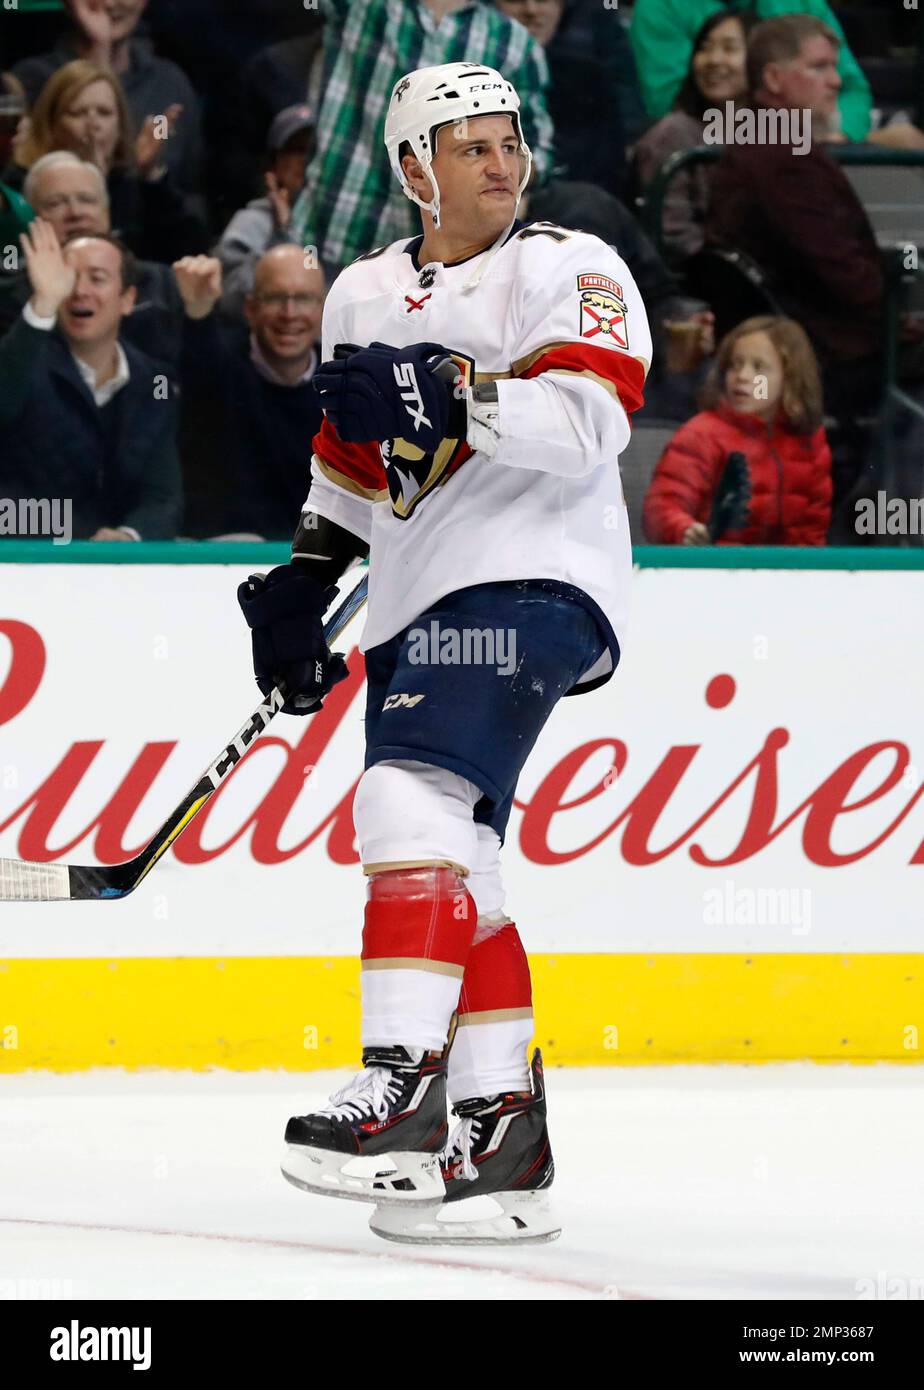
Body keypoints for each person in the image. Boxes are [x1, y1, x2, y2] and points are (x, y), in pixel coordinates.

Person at [237, 62, 651, 1245]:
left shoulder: (567, 265)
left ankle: (402, 1090)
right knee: (459, 854)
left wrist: (441, 390)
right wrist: (308, 582)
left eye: (508, 141)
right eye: (469, 145)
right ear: (414, 168)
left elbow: (590, 422)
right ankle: (498, 1140)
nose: (500, 161)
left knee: (403, 796)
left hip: (538, 577)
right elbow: (351, 468)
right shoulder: (362, 291)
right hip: (416, 598)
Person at [704, 16, 886, 516]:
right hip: (834, 353)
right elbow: (851, 282)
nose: (836, 80)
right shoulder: (780, 157)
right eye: (820, 67)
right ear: (775, 79)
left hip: (817, 341)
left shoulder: (772, 145)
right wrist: (905, 318)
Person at [288, 0, 555, 276]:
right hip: (326, 241)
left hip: (444, 268)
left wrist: (486, 165)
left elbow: (537, 152)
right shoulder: (363, 6)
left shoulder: (514, 42)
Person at [0, 220, 181, 539]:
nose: (80, 291)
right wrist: (43, 304)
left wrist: (128, 535)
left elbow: (164, 496)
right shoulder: (21, 359)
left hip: (120, 569)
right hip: (26, 562)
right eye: (67, 279)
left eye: (97, 279)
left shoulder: (155, 382)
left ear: (127, 299)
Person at [172, 247, 324, 538]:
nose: (289, 314)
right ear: (250, 309)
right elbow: (198, 367)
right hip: (224, 558)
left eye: (303, 299)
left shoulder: (344, 383)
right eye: (275, 298)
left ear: (322, 309)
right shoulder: (218, 365)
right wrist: (198, 310)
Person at [643, 316, 831, 545]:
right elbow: (664, 507)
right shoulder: (702, 434)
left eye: (758, 367)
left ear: (790, 378)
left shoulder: (809, 438)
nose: (742, 376)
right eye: (735, 364)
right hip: (710, 570)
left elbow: (812, 531)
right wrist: (684, 530)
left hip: (783, 576)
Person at [7, 60, 208, 263]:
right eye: (77, 113)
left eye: (104, 113)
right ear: (52, 124)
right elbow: (9, 259)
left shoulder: (134, 189)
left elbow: (191, 252)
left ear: (120, 125)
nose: (93, 124)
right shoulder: (18, 188)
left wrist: (149, 174)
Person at [0, 151, 185, 365]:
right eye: (56, 203)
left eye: (87, 200)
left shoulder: (159, 282)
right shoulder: (9, 295)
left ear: (107, 211)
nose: (76, 212)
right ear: (31, 218)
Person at [12, 0, 202, 192]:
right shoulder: (34, 78)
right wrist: (99, 50)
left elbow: (194, 189)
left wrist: (150, 172)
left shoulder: (168, 82)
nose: (110, 3)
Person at [630, 0, 873, 142]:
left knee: (905, 138)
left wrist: (837, 134)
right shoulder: (660, 6)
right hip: (720, 141)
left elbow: (852, 89)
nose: (714, 59)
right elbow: (672, 100)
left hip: (813, 138)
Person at [633, 8, 759, 262]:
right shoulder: (672, 135)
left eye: (729, 48)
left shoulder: (778, 131)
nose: (713, 59)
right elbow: (672, 237)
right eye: (704, 48)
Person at [494, 0, 647, 200]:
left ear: (561, 8)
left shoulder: (589, 79)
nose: (531, 10)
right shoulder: (466, 80)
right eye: (516, 0)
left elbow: (607, 178)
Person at [213, 105, 317, 323]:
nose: (306, 161)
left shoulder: (340, 229)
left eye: (313, 150)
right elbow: (231, 302)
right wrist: (280, 235)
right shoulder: (250, 223)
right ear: (274, 164)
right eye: (296, 150)